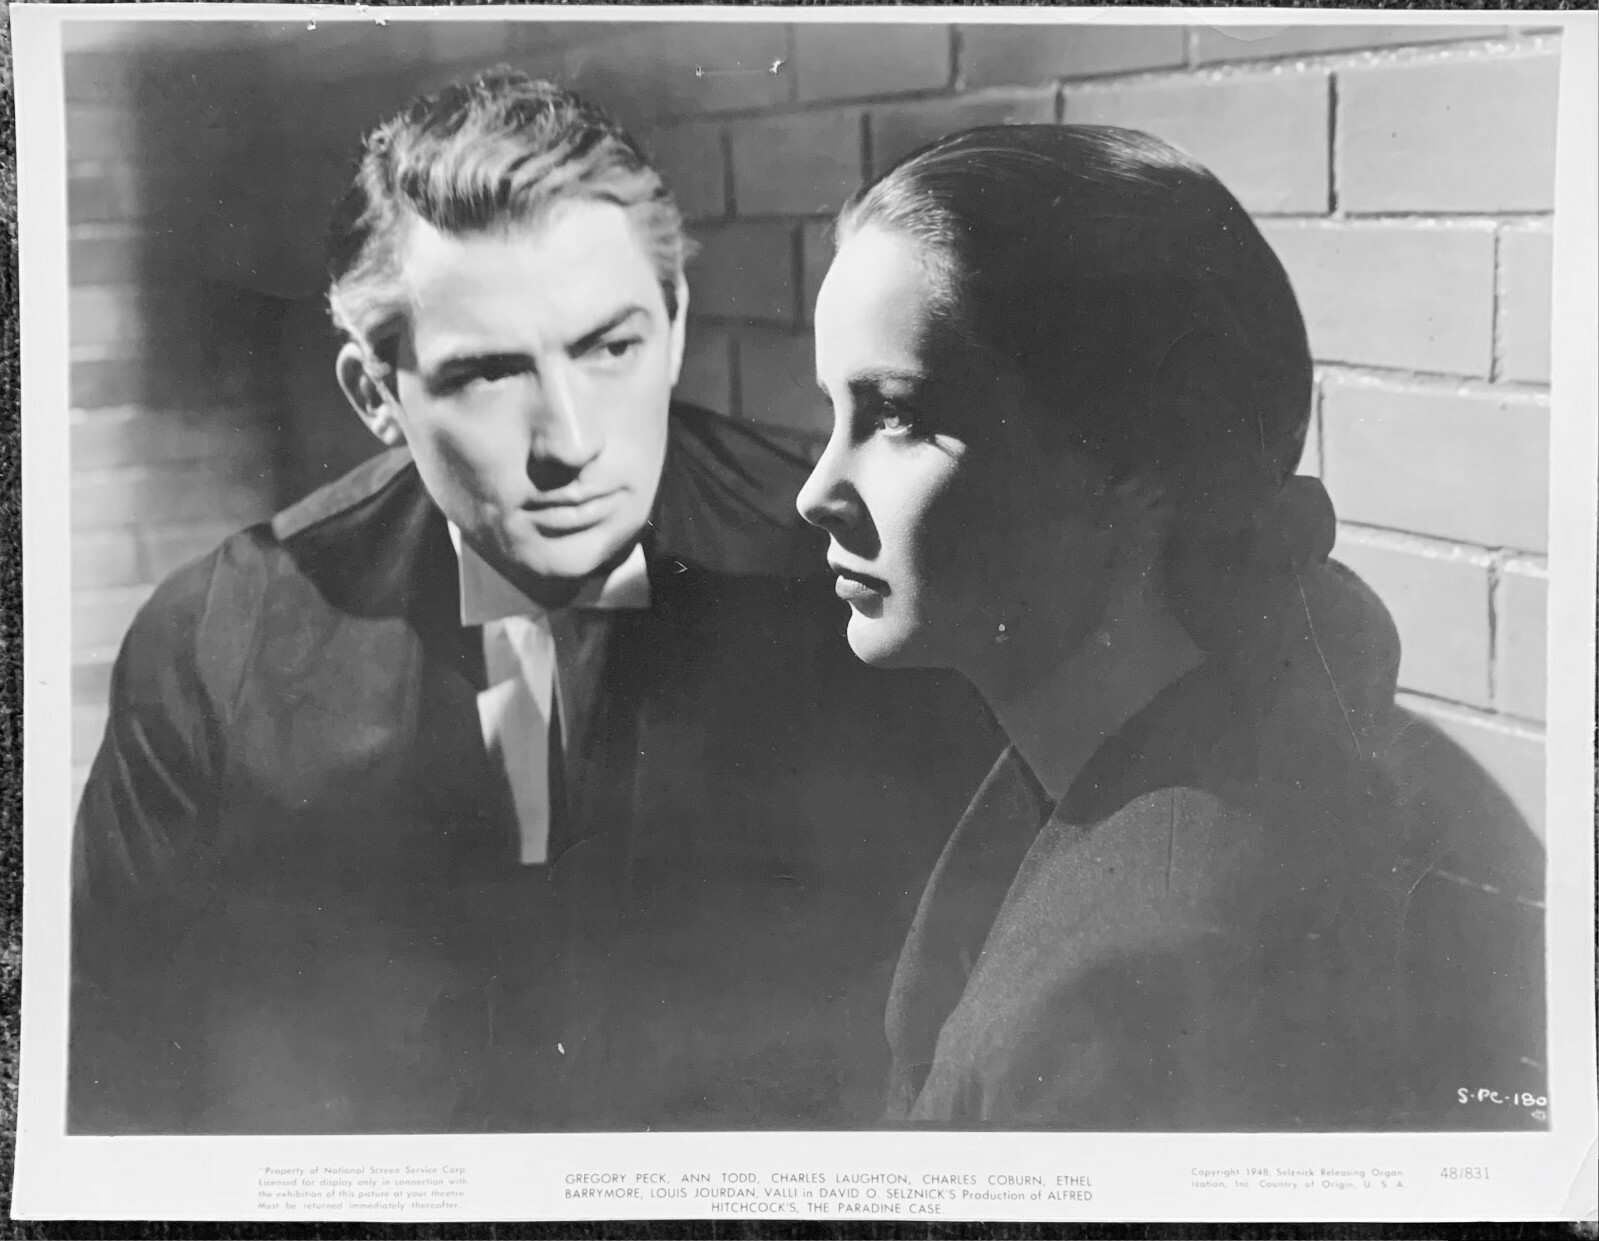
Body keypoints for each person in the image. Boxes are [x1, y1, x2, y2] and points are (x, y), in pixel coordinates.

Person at [69, 71, 998, 1134]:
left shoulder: (861, 582)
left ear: (678, 320)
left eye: (613, 347)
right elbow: (116, 1078)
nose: (571, 440)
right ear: (375, 395)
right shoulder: (215, 644)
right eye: (486, 374)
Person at [797, 124, 1547, 1130]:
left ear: (1136, 457)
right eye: (831, 412)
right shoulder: (1204, 729)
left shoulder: (1136, 981)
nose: (815, 492)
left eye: (894, 412)